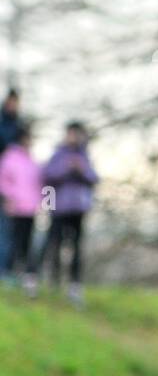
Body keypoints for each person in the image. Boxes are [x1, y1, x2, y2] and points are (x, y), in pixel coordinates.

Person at [36, 120, 99, 307]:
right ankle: (52, 280)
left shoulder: (85, 156)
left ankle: (74, 285)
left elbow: (94, 178)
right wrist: (67, 168)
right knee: (54, 243)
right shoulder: (58, 154)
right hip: (59, 208)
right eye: (71, 133)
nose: (74, 137)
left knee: (76, 248)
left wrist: (81, 169)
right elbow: (47, 176)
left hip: (78, 209)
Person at [0, 123, 42, 285]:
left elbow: (40, 184)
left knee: (27, 243)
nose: (30, 141)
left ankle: (23, 274)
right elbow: (3, 181)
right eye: (28, 138)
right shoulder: (9, 157)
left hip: (30, 209)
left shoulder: (32, 160)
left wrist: (44, 204)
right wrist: (9, 198)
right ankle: (6, 272)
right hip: (14, 207)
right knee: (11, 241)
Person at [0, 90, 22, 274]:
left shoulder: (18, 126)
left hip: (12, 189)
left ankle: (5, 269)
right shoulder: (4, 125)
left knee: (8, 229)